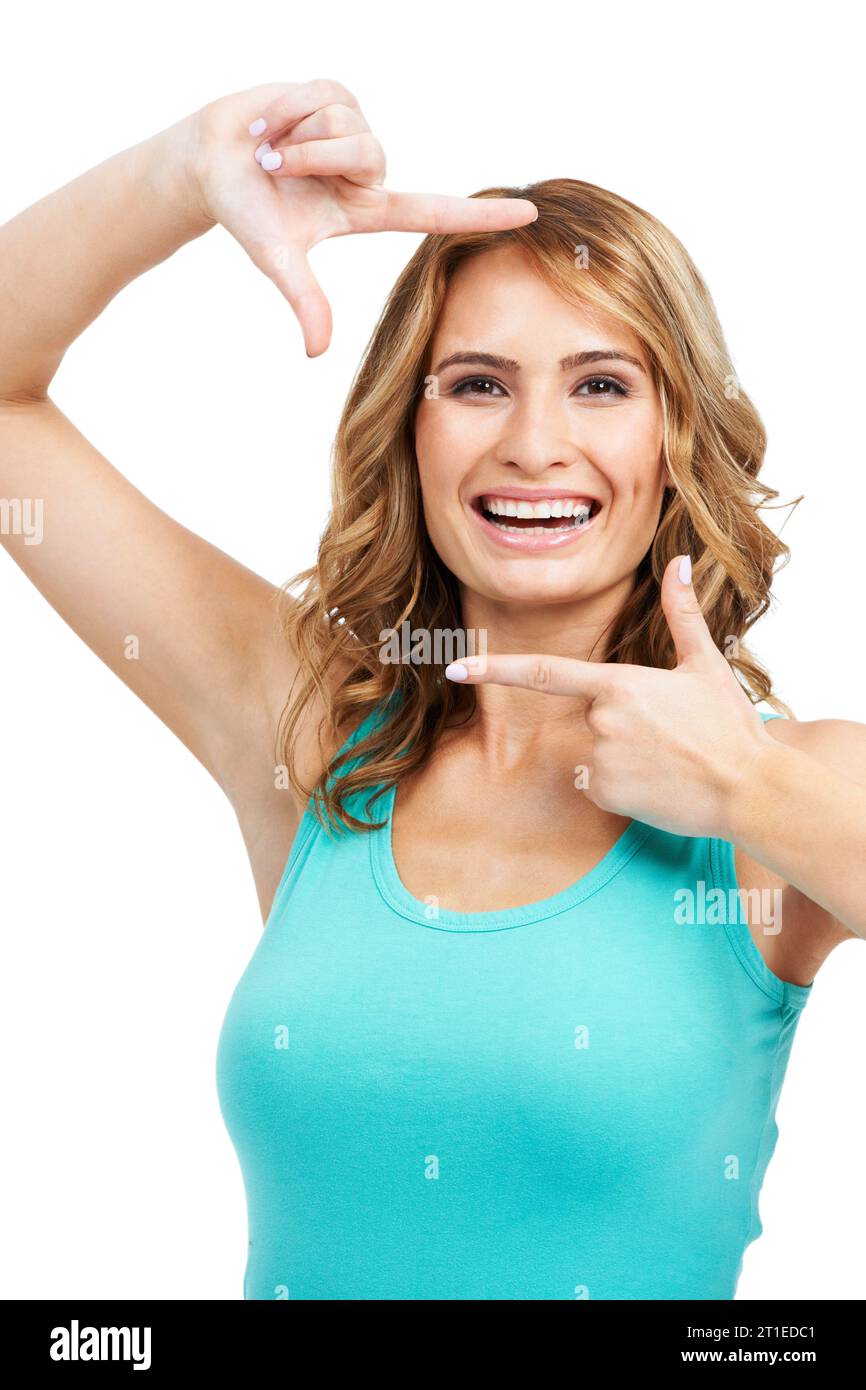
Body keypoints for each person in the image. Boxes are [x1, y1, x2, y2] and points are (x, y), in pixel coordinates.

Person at [1, 79, 864, 1301]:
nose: (531, 443)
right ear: (406, 429)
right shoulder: (311, 729)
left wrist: (747, 786)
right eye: (476, 382)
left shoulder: (788, 792)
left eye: (601, 384)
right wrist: (184, 173)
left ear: (676, 438)